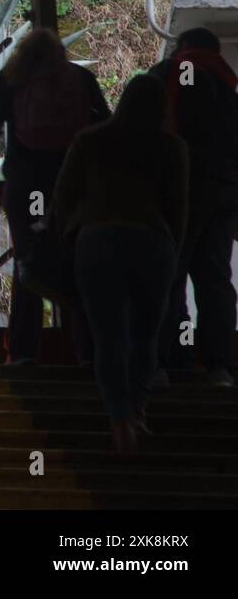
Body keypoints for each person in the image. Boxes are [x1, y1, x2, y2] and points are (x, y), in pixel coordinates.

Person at [52, 74, 188, 451]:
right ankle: (138, 409)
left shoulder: (90, 141)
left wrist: (69, 237)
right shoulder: (171, 148)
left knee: (108, 336)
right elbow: (178, 209)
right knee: (147, 336)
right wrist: (172, 252)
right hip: (152, 242)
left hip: (98, 241)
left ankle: (118, 420)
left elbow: (63, 198)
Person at [0, 28, 111, 362]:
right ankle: (89, 354)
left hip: (28, 186)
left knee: (29, 263)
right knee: (79, 262)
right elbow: (106, 126)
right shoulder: (81, 78)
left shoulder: (14, 78)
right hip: (73, 186)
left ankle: (24, 353)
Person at [149, 27, 238, 386]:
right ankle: (219, 366)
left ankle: (169, 360)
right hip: (222, 195)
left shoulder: (172, 73)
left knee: (169, 275)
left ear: (184, 46)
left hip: (178, 191)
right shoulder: (228, 90)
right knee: (214, 277)